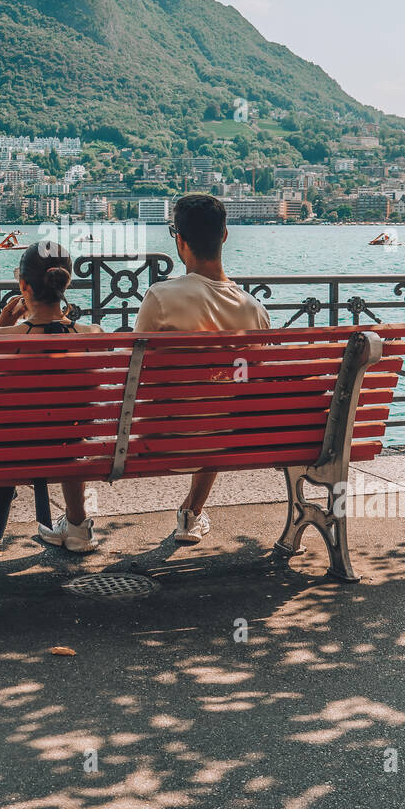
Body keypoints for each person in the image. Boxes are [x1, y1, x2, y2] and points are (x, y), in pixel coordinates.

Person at [133, 193, 270, 545]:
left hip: (162, 441)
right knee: (223, 403)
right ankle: (191, 512)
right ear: (224, 235)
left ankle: (76, 521)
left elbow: (135, 375)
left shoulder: (160, 298)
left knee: (209, 401)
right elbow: (249, 383)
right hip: (231, 440)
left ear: (179, 240)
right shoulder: (254, 311)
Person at [0, 242, 104, 553]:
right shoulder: (94, 336)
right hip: (68, 448)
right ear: (66, 283)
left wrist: (4, 324)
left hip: (13, 454)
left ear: (22, 285)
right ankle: (77, 526)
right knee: (72, 432)